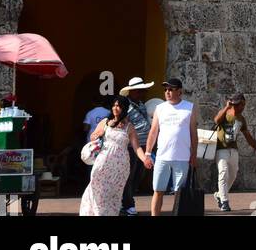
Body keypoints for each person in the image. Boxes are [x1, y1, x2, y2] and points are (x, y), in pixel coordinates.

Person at [80, 96, 150, 217]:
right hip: (103, 162)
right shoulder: (105, 122)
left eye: (118, 106)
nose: (115, 108)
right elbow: (92, 137)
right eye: (114, 105)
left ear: (124, 108)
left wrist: (145, 159)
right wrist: (97, 135)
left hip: (120, 166)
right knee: (97, 188)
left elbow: (137, 147)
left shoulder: (129, 127)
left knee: (114, 193)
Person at [143, 78, 198, 216]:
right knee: (158, 190)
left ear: (180, 92)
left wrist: (194, 154)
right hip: (162, 157)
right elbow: (153, 131)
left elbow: (193, 133)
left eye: (171, 89)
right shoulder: (160, 108)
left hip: (182, 157)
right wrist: (148, 154)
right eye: (166, 89)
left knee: (180, 194)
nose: (167, 92)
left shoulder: (189, 107)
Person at [212, 93, 256, 212]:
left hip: (233, 150)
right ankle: (224, 202)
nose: (243, 107)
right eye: (242, 104)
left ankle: (219, 194)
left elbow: (248, 136)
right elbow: (216, 120)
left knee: (233, 174)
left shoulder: (241, 119)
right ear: (236, 104)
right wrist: (226, 107)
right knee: (223, 173)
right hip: (221, 149)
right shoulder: (225, 113)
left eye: (244, 104)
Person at [118, 77, 154, 216]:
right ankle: (128, 204)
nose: (141, 93)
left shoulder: (141, 104)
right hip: (131, 145)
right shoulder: (126, 106)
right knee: (130, 175)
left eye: (142, 91)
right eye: (139, 91)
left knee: (138, 174)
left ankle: (126, 202)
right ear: (131, 91)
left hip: (144, 145)